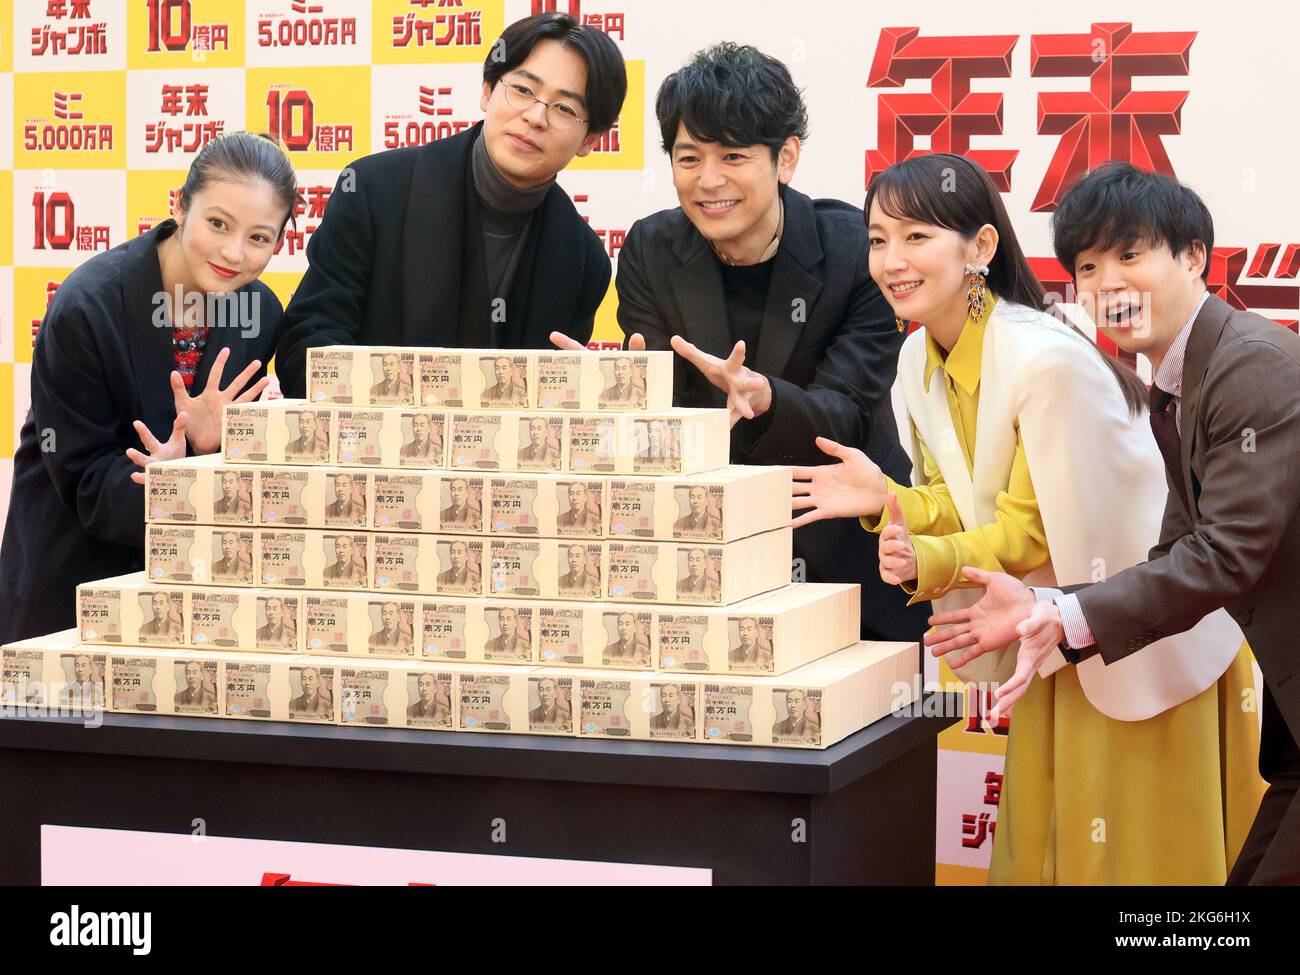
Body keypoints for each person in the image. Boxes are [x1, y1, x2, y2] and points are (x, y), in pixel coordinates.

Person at [793, 153, 1262, 885]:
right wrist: (891, 499)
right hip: (1057, 634)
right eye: (878, 239)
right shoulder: (918, 358)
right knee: (1050, 848)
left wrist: (930, 559)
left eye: (917, 236)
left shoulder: (1042, 359)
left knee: (1138, 865)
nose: (891, 260)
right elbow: (962, 497)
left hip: (1137, 638)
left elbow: (1031, 528)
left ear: (980, 248)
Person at [925, 163, 1292, 884]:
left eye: (1130, 254)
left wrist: (1064, 617)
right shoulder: (1174, 388)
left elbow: (1224, 557)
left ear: (1193, 255)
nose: (1107, 284)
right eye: (1087, 267)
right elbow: (1179, 549)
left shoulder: (1247, 366)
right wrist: (1050, 608)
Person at [551, 43, 926, 643]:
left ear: (786, 159)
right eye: (689, 157)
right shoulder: (650, 247)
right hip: (706, 555)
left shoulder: (858, 250)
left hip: (846, 546)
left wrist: (765, 397)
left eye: (733, 155)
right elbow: (660, 406)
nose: (709, 181)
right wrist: (611, 396)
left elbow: (848, 414)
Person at [0, 131, 295, 643]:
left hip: (192, 599)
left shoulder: (261, 313)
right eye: (218, 223)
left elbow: (235, 463)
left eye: (258, 237)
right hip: (72, 584)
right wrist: (167, 484)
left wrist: (212, 447)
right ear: (179, 207)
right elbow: (82, 476)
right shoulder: (86, 306)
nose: (233, 252)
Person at [273, 12, 627, 394]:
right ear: (488, 90)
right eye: (523, 90)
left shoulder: (584, 259)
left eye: (565, 108)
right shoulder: (372, 192)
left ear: (591, 139)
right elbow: (305, 347)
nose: (535, 116)